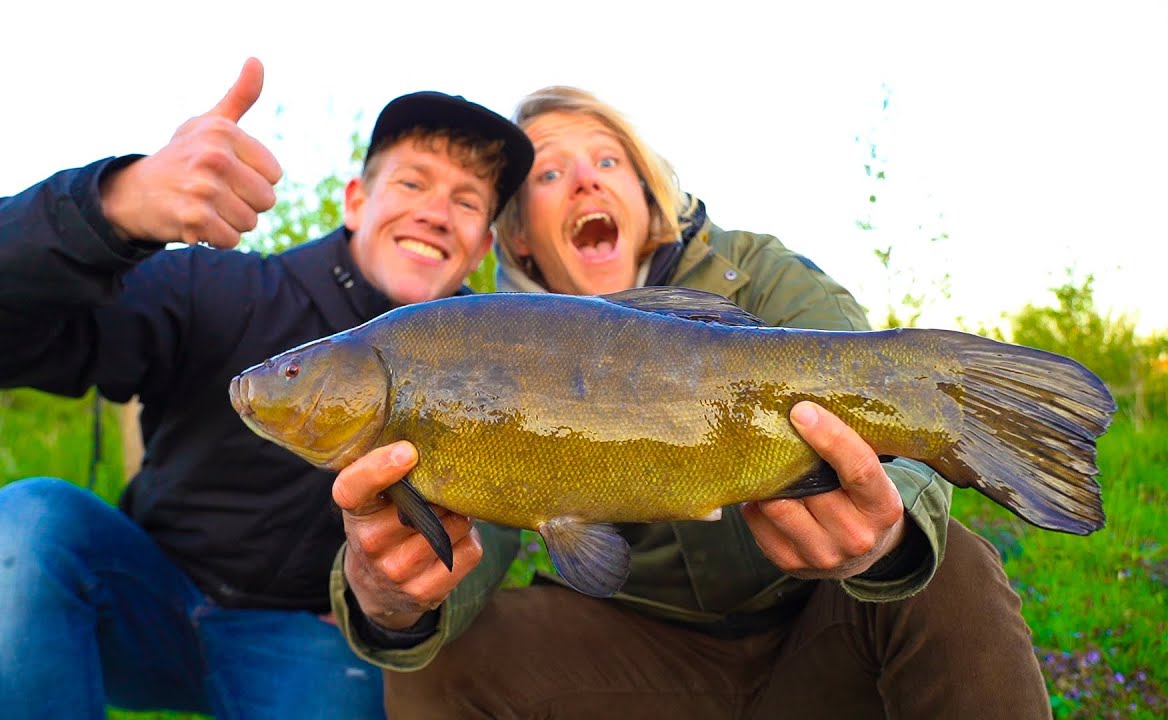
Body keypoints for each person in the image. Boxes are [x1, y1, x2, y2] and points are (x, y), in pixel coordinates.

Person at [327, 86, 1052, 718]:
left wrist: (888, 533)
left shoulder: (761, 275)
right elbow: (479, 543)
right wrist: (393, 602)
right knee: (433, 669)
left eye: (608, 161)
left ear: (646, 194)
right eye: (550, 172)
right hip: (634, 653)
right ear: (517, 236)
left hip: (816, 630)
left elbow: (880, 428)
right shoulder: (480, 344)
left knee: (949, 563)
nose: (584, 181)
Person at [0, 57, 532, 719]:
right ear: (355, 201)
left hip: (307, 643)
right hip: (146, 596)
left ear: (482, 243)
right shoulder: (221, 287)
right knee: (19, 525)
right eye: (413, 182)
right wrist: (111, 208)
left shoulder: (500, 362)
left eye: (465, 201)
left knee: (356, 691)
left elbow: (486, 549)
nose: (435, 213)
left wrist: (391, 611)